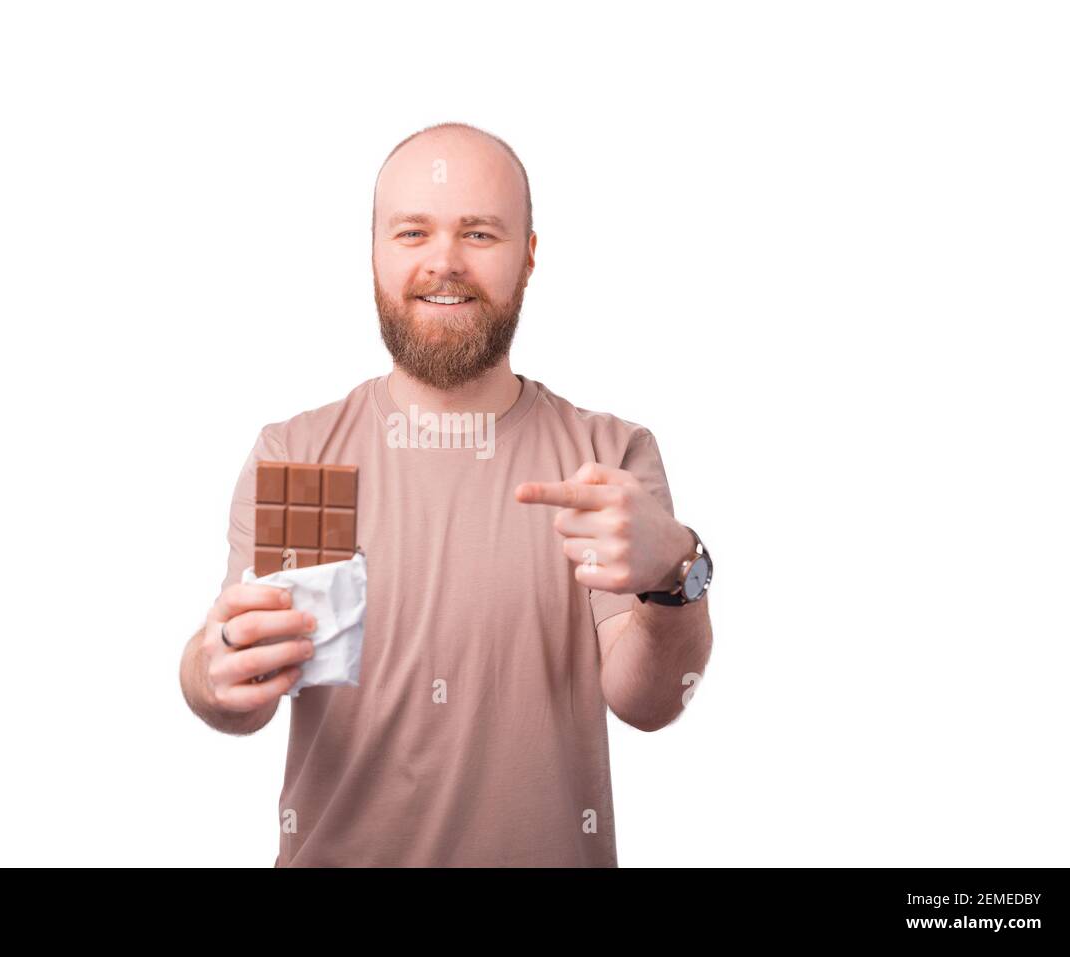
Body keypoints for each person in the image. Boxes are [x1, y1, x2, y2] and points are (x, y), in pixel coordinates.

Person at [178, 122, 714, 866]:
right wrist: (215, 667)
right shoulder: (298, 454)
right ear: (373, 253)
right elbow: (239, 689)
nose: (444, 262)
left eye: (480, 234)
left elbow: (649, 703)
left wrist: (676, 576)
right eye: (411, 232)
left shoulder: (609, 458)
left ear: (528, 257)